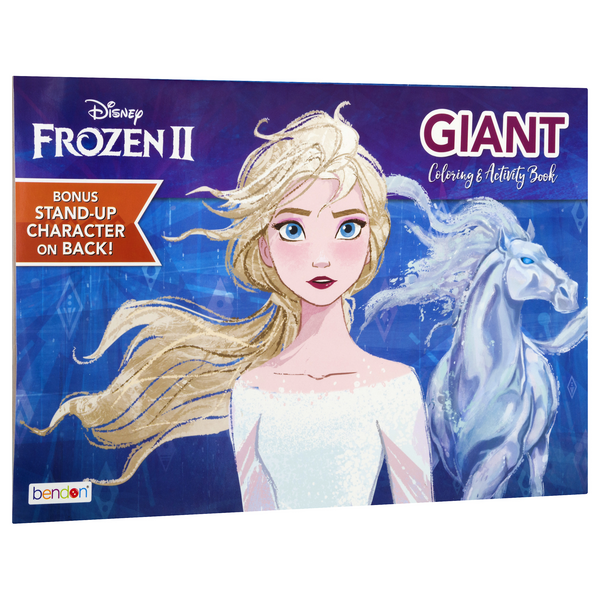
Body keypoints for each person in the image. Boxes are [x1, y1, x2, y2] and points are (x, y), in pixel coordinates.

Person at [26, 103, 434, 509]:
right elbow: (256, 516)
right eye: (293, 229)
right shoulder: (252, 390)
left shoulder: (396, 387)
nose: (321, 258)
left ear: (371, 242)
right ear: (266, 248)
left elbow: (420, 518)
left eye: (348, 227)